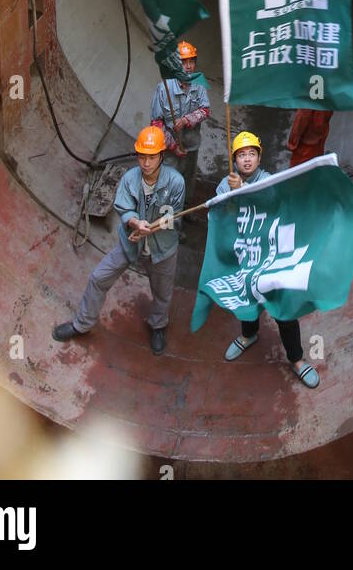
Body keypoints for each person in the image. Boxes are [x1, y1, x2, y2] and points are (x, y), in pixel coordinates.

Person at [51, 125, 184, 356]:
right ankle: (81, 324)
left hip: (162, 249)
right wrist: (135, 224)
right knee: (98, 278)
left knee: (162, 292)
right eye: (142, 156)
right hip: (130, 243)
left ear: (161, 155)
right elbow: (124, 208)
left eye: (151, 157)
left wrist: (148, 229)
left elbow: (172, 218)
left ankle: (158, 326)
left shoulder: (176, 182)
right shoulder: (129, 178)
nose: (146, 163)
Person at [216, 130, 319, 389]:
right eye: (241, 155)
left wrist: (244, 190)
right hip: (245, 255)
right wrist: (228, 196)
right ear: (234, 160)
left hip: (271, 256)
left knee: (284, 309)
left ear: (259, 158)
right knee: (246, 301)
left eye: (251, 154)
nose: (247, 160)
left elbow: (271, 204)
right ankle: (249, 335)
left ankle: (297, 359)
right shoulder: (225, 183)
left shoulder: (269, 180)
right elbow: (220, 215)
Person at [150, 40, 210, 204]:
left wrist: (186, 120)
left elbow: (205, 110)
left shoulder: (198, 84)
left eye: (191, 61)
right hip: (171, 151)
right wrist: (174, 147)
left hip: (191, 146)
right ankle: (167, 222)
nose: (188, 66)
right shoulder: (164, 88)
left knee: (188, 180)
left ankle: (185, 210)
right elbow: (156, 124)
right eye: (184, 62)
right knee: (169, 185)